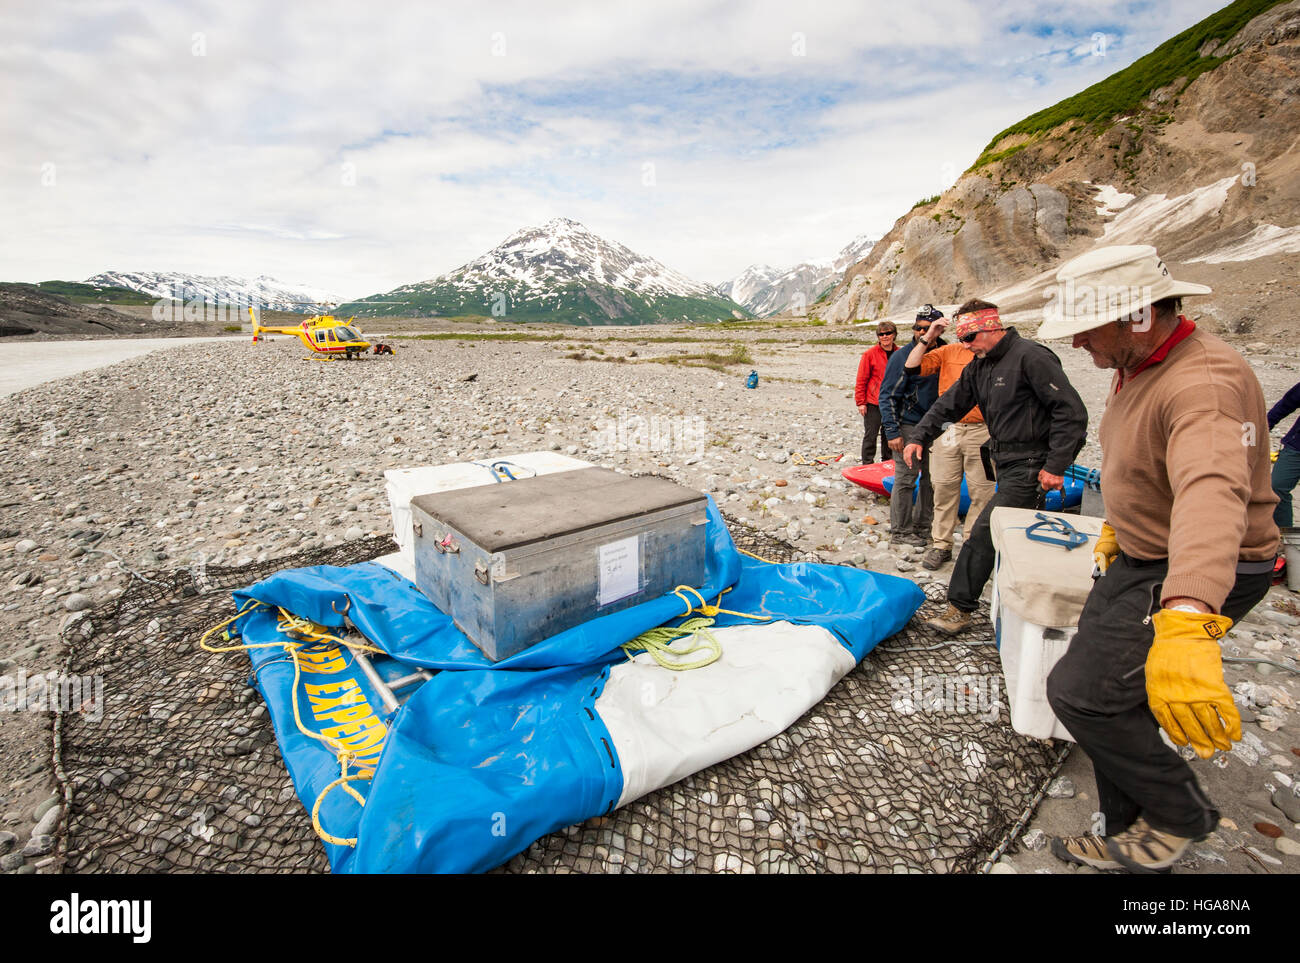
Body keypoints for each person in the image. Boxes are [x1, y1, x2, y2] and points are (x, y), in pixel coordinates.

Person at [1038, 244, 1279, 873]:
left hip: (1188, 568)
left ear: (1137, 315)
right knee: (1120, 694)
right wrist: (1121, 522)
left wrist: (1188, 612)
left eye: (1087, 327)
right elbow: (1151, 469)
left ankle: (1177, 816)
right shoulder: (1139, 363)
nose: (1078, 342)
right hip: (1143, 555)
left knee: (1084, 695)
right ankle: (1133, 839)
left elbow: (1210, 491)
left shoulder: (1204, 385)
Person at [901, 299, 1086, 633]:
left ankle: (960, 609)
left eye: (970, 337)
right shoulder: (979, 365)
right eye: (961, 338)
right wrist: (919, 436)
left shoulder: (1031, 357)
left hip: (1033, 463)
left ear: (991, 327)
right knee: (1017, 534)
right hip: (1004, 458)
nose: (965, 345)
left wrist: (1057, 465)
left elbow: (1069, 412)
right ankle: (1029, 603)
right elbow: (949, 403)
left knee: (985, 531)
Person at [900, 302, 997, 570]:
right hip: (949, 429)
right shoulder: (948, 351)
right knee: (943, 487)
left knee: (982, 491)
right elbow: (911, 367)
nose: (968, 341)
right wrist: (928, 336)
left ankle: (971, 546)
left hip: (983, 430)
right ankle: (941, 545)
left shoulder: (994, 356)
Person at [879, 306, 945, 546]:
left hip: (938, 427)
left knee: (932, 479)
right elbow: (886, 395)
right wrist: (892, 431)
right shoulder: (902, 356)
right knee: (906, 477)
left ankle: (923, 527)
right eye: (917, 328)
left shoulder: (947, 352)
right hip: (909, 424)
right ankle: (901, 531)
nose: (920, 332)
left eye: (927, 329)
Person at [854, 321, 898, 464]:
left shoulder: (901, 353)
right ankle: (867, 463)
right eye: (881, 334)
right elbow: (862, 379)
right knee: (871, 435)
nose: (885, 336)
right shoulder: (869, 354)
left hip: (893, 402)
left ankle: (887, 462)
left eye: (888, 333)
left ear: (894, 335)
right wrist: (861, 402)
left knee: (889, 434)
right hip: (874, 402)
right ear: (878, 337)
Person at [1267, 381, 1300, 529]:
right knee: (1277, 486)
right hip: (1296, 448)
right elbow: (1286, 404)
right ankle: (1284, 535)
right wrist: (1264, 426)